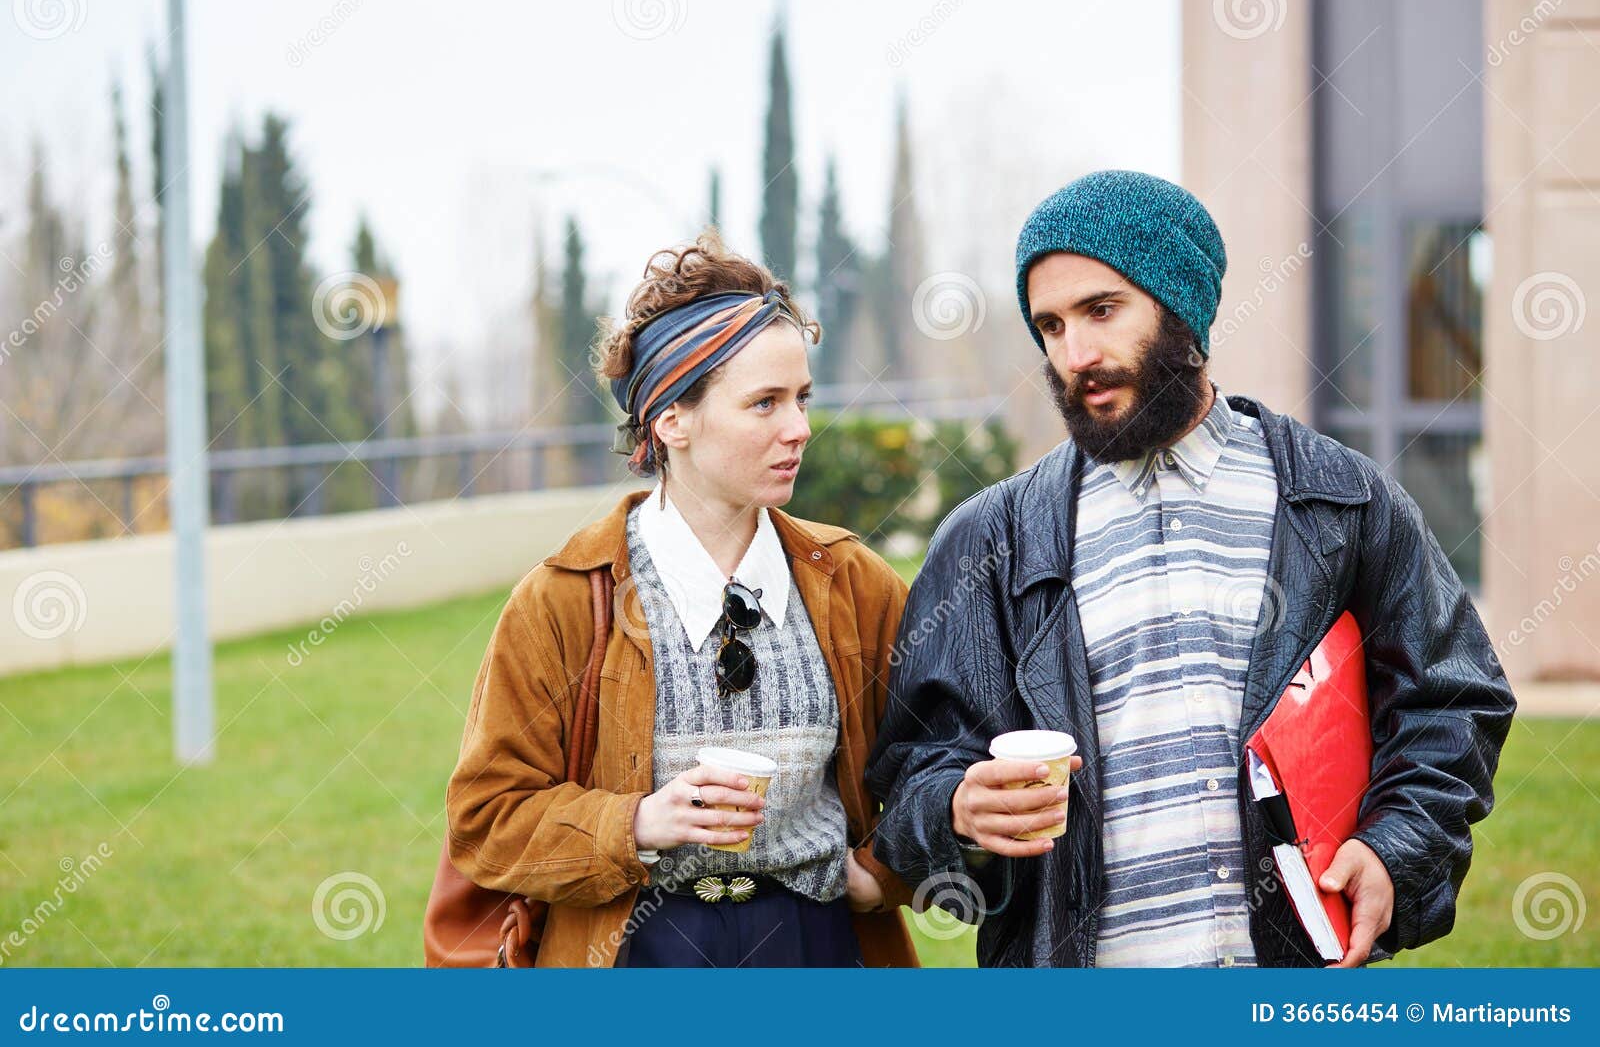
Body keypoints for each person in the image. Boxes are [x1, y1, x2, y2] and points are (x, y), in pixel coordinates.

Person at [865, 169, 1516, 968]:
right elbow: (911, 771)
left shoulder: (1340, 497)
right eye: (1052, 326)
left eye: (1102, 310)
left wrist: (1397, 844)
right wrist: (957, 806)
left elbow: (1454, 695)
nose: (1078, 354)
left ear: (1182, 306)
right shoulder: (989, 540)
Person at [446, 231, 917, 967]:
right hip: (638, 951)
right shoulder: (562, 600)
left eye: (801, 398)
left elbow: (937, 754)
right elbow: (486, 817)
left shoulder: (855, 583)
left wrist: (877, 874)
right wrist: (636, 821)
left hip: (817, 946)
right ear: (672, 420)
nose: (798, 429)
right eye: (763, 403)